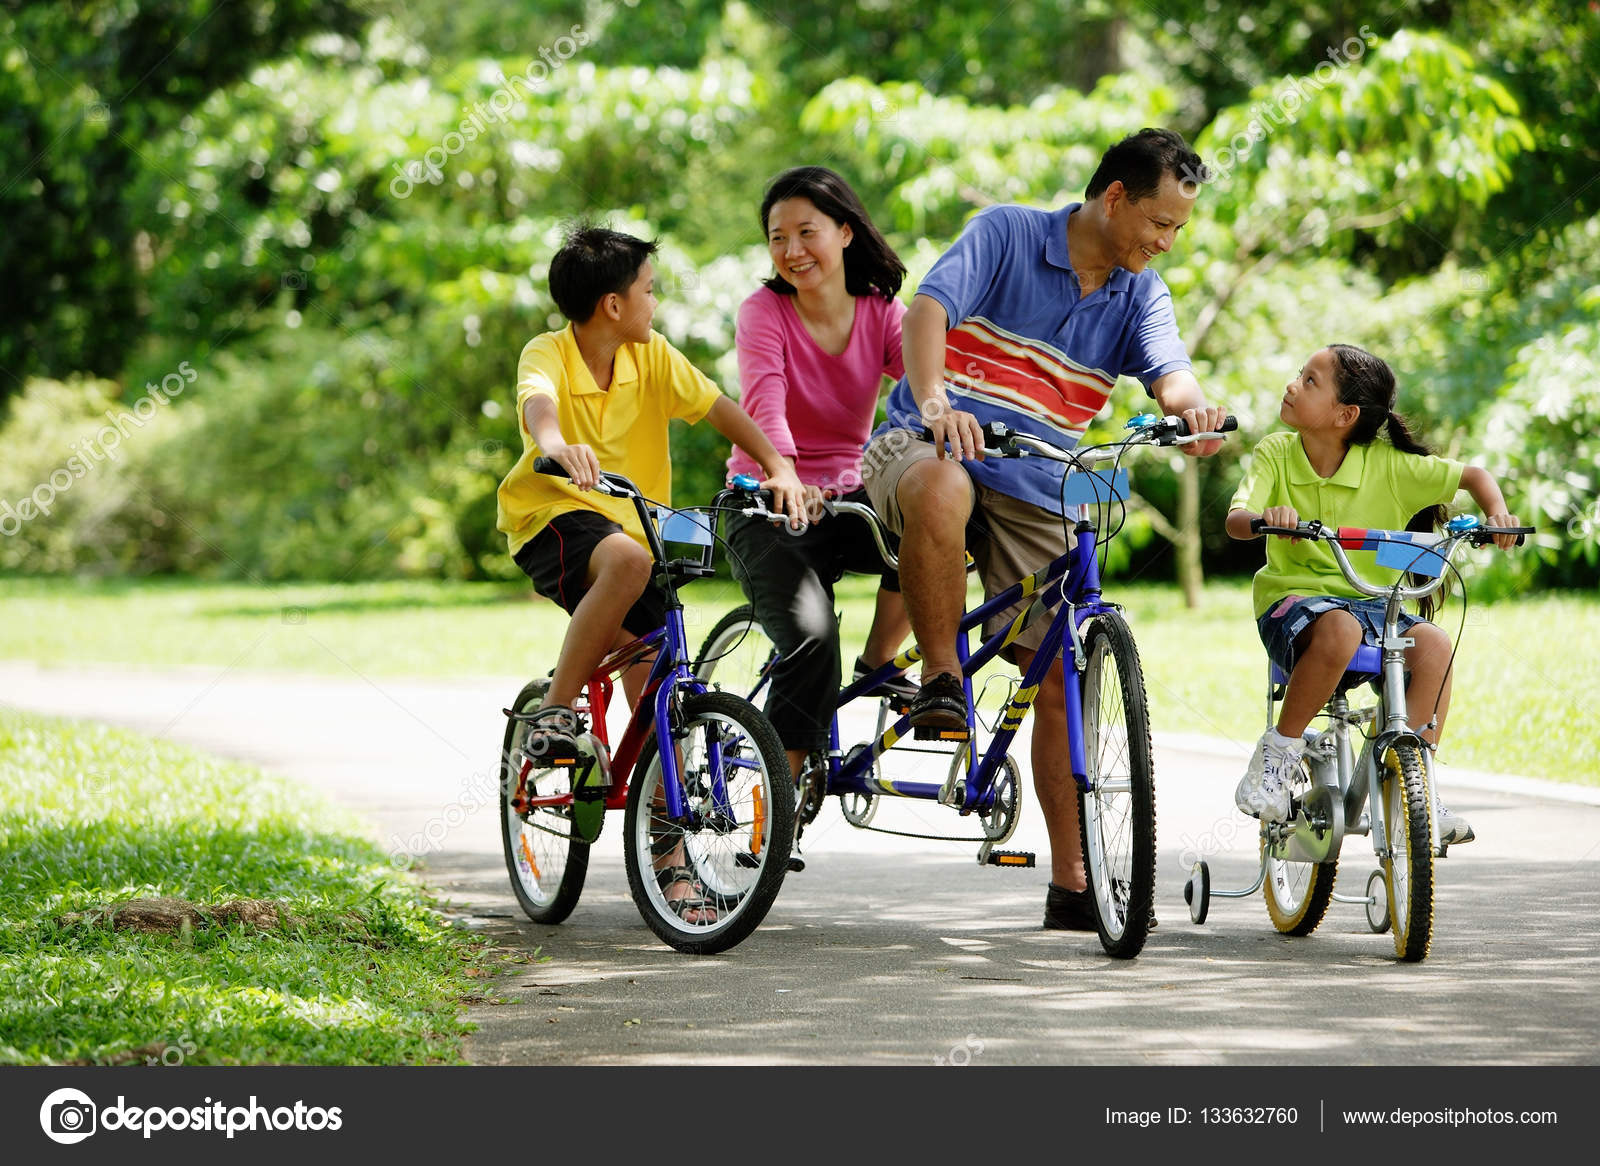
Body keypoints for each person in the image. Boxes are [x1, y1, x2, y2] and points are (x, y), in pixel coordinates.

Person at [860, 128, 1229, 932]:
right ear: (1115, 197)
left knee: (1061, 670)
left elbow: (1169, 367)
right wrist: (934, 404)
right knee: (943, 483)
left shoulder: (1139, 291)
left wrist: (1189, 407)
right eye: (1158, 224)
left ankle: (1074, 883)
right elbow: (928, 312)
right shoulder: (1009, 233)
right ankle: (941, 686)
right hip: (923, 443)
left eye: (1179, 231)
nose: (1164, 243)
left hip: (1036, 477)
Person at [496, 224, 805, 918]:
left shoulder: (654, 359)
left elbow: (723, 411)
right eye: (648, 290)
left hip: (635, 533)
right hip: (552, 518)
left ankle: (672, 866)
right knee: (629, 560)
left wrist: (778, 467)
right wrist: (557, 446)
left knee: (664, 703)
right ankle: (554, 713)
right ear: (612, 304)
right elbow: (537, 405)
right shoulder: (549, 351)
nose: (655, 303)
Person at [1225, 344, 1518, 842]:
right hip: (1292, 603)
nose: (1293, 384)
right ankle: (1277, 752)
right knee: (1339, 626)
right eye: (1300, 374)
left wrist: (1497, 513)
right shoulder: (1275, 451)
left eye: (1310, 381)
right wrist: (1266, 521)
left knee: (1435, 645)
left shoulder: (1388, 466)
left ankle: (1419, 784)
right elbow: (1236, 520)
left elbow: (1473, 475)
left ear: (1346, 415)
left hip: (1371, 603)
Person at [723, 166, 915, 780]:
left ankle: (880, 665)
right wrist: (783, 473)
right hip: (765, 500)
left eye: (807, 233)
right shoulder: (763, 312)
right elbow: (764, 399)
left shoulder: (881, 311)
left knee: (939, 529)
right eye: (778, 238)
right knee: (811, 638)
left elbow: (926, 381)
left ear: (846, 233)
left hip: (847, 499)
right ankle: (777, 803)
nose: (791, 251)